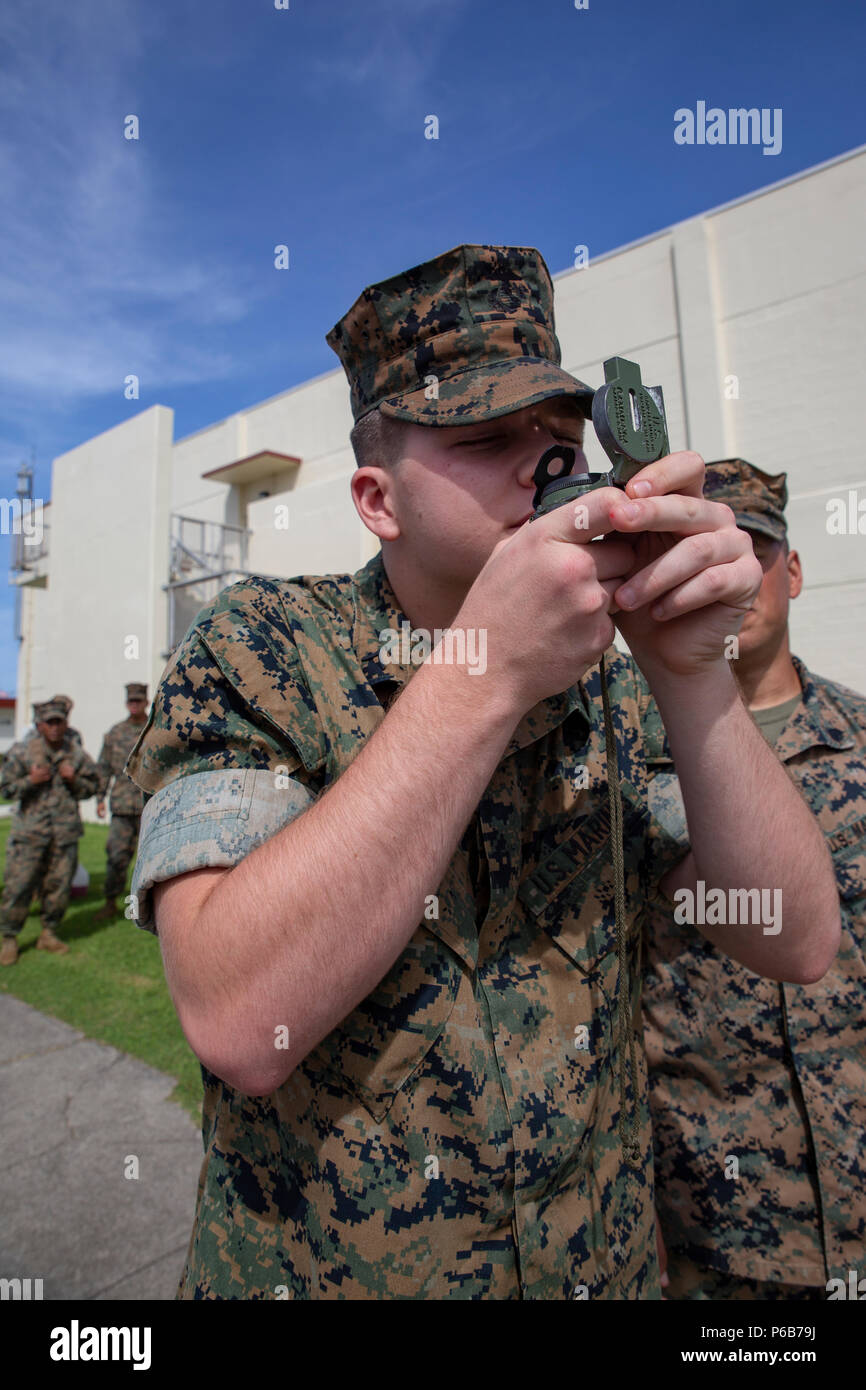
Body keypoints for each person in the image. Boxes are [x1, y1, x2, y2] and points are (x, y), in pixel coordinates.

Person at [126, 244, 839, 1301]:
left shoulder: (614, 676)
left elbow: (792, 937)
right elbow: (238, 1021)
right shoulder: (262, 646)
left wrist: (691, 680)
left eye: (560, 436)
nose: (546, 468)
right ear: (379, 499)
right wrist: (482, 673)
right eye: (487, 436)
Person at [643, 458, 866, 1300]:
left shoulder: (860, 741)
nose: (729, 575)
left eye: (754, 549)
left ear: (793, 571)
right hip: (720, 1236)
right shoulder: (622, 763)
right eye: (703, 552)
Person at [0, 699, 101, 965]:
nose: (55, 727)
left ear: (66, 724)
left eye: (60, 722)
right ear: (40, 725)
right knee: (19, 886)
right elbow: (5, 789)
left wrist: (74, 779)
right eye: (50, 722)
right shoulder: (23, 752)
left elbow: (93, 786)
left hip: (64, 833)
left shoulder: (76, 754)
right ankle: (9, 938)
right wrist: (29, 782)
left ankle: (48, 933)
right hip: (29, 834)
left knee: (58, 888)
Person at [94, 683, 149, 921]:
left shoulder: (155, 730)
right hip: (122, 806)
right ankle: (110, 902)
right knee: (117, 856)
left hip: (151, 805)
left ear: (146, 702)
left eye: (139, 700)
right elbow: (103, 767)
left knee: (149, 860)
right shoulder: (114, 733)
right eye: (131, 701)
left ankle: (148, 908)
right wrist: (99, 798)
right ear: (127, 704)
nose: (134, 705)